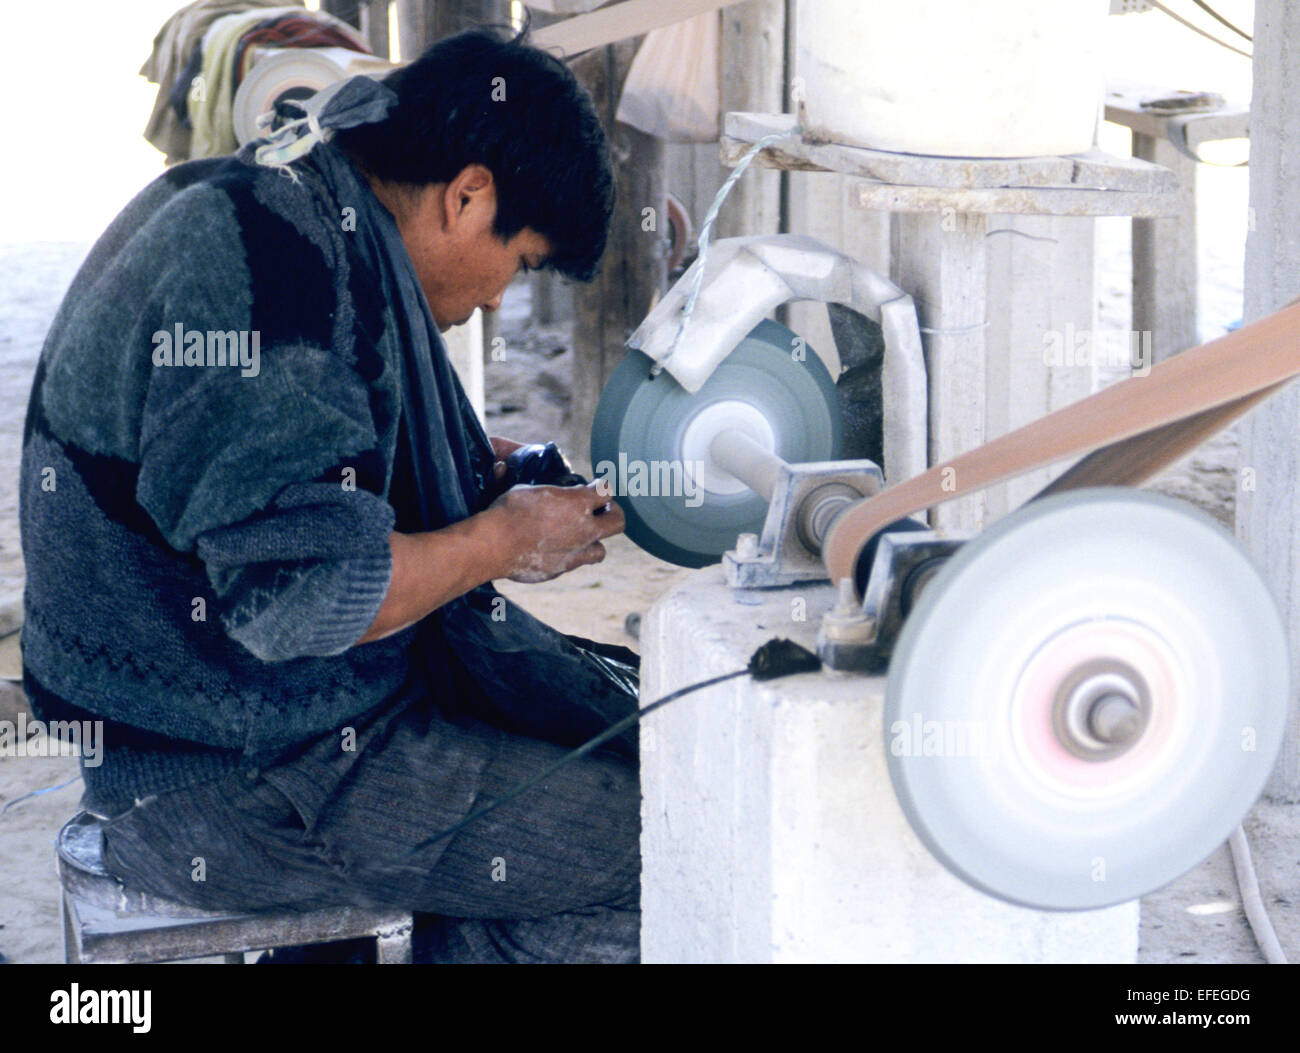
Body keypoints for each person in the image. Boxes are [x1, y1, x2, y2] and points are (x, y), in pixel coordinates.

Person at [19, 26, 644, 963]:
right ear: (469, 195)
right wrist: (497, 540)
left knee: (593, 765)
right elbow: (299, 597)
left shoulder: (297, 195)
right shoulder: (278, 273)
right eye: (520, 265)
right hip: (222, 780)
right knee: (659, 836)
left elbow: (318, 457)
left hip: (238, 728)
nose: (497, 302)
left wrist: (488, 478)